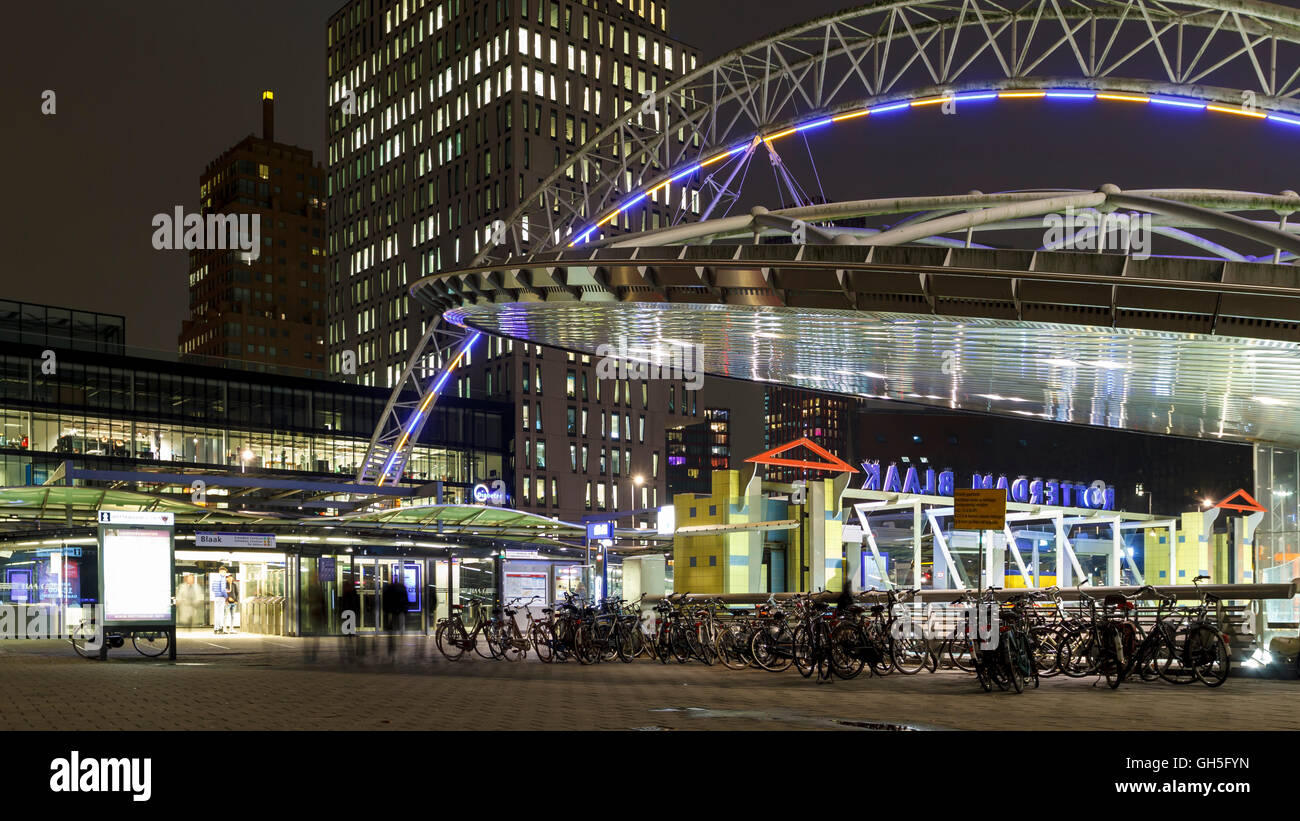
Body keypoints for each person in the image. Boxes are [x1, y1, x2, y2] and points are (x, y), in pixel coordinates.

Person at [339, 582, 361, 664]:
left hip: (349, 617)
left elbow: (345, 606)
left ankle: (351, 653)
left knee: (349, 637)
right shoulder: (352, 595)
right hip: (349, 617)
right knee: (349, 637)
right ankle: (351, 653)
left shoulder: (348, 595)